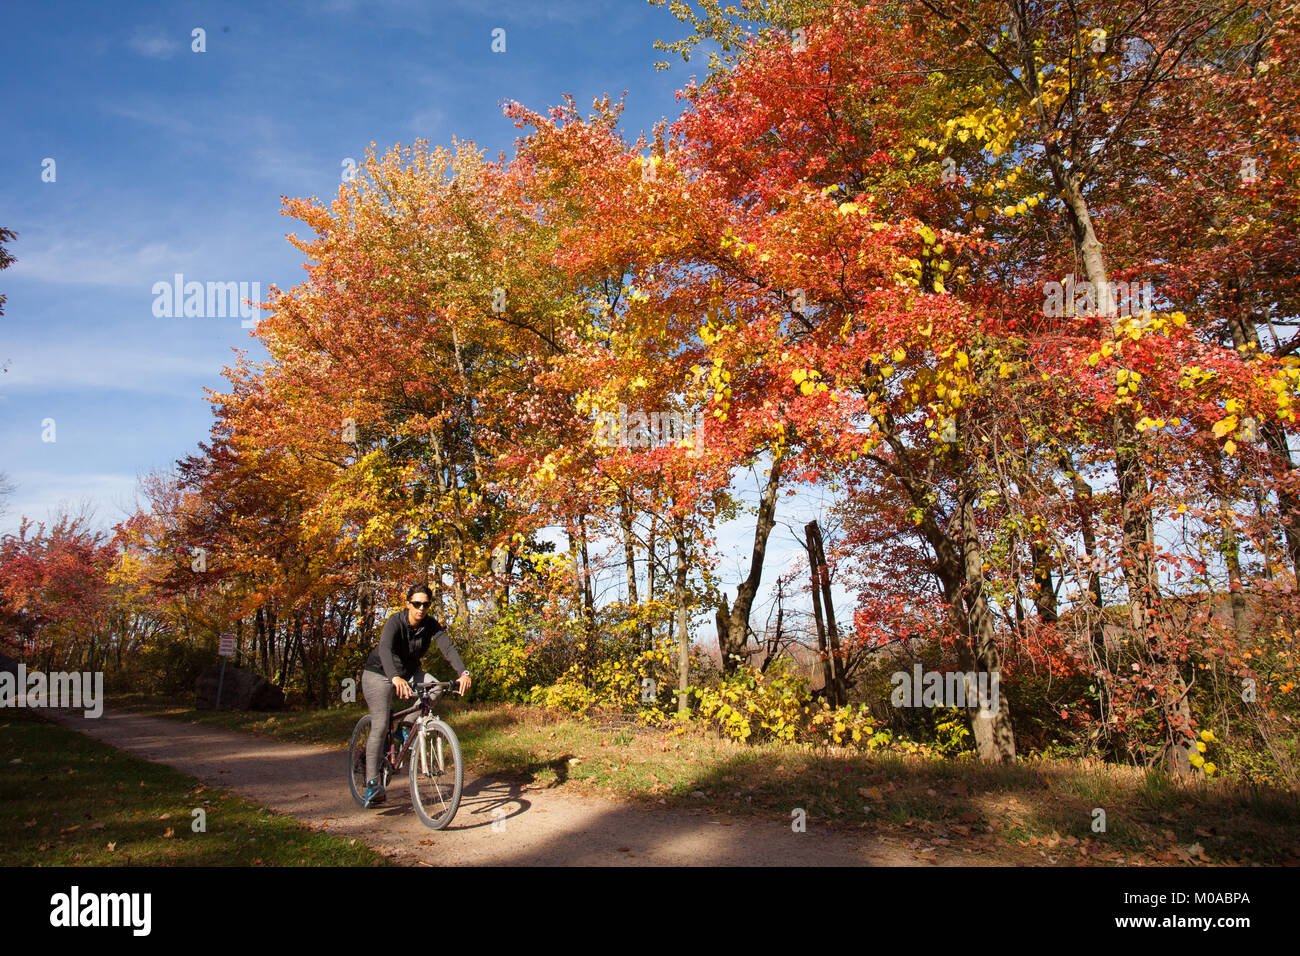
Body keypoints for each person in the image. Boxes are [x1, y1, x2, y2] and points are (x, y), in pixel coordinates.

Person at [360, 584, 471, 807]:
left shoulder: (430, 625)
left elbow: (447, 648)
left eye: (425, 605)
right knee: (381, 725)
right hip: (379, 673)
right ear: (408, 603)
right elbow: (384, 649)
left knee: (436, 687)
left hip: (409, 674)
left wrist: (464, 672)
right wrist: (394, 677)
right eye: (416, 604)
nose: (421, 609)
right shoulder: (395, 621)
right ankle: (372, 782)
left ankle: (404, 727)